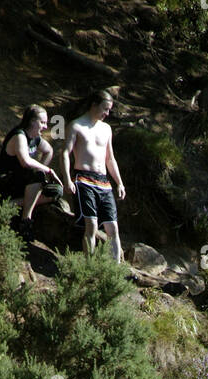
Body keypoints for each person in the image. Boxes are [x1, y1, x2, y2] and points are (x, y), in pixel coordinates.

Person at [61, 90, 126, 262]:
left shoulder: (106, 129)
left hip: (104, 182)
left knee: (113, 228)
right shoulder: (76, 125)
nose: (107, 113)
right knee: (92, 226)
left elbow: (110, 158)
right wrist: (67, 179)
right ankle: (89, 267)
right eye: (105, 109)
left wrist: (119, 182)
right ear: (94, 105)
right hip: (83, 178)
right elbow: (65, 154)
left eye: (109, 110)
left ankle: (116, 270)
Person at [0, 105, 67, 240]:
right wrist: (47, 170)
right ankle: (25, 221)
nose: (45, 127)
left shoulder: (35, 138)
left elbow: (49, 150)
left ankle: (10, 205)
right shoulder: (19, 136)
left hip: (23, 182)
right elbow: (25, 162)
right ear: (32, 121)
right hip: (5, 180)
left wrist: (41, 169)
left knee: (56, 191)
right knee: (37, 175)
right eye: (42, 122)